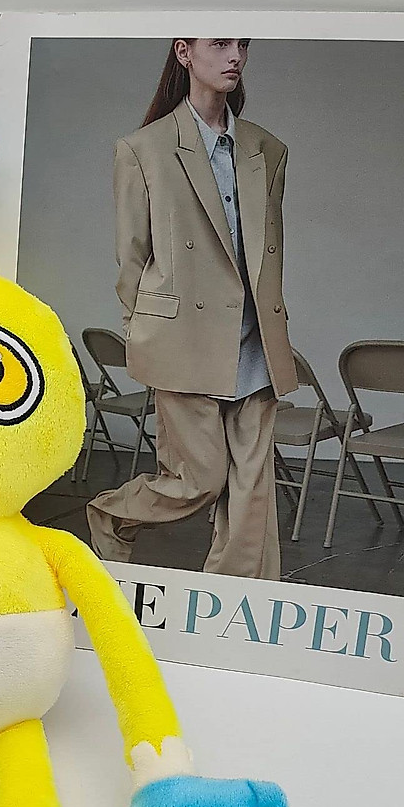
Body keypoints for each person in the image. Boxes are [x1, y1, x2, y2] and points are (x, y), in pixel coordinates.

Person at [86, 37, 298, 580]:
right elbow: (131, 259)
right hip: (183, 339)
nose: (234, 57)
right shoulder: (143, 150)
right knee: (196, 480)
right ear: (184, 52)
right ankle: (113, 516)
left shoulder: (267, 150)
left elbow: (265, 252)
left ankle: (234, 603)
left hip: (254, 340)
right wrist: (146, 333)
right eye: (219, 44)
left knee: (252, 494)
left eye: (241, 45)